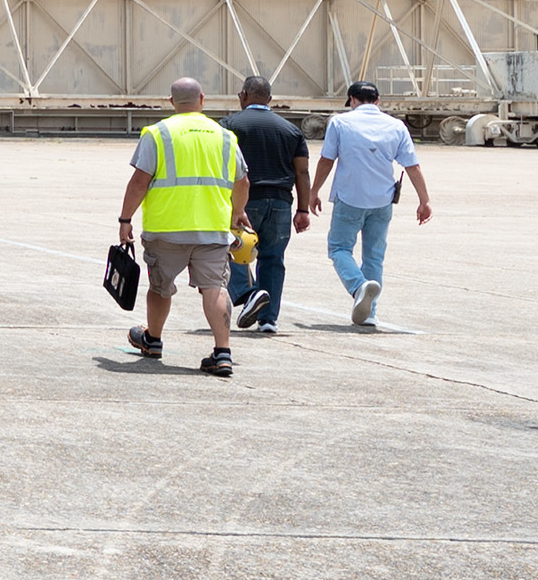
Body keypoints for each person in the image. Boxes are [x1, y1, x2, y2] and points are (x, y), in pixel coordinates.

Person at [118, 77, 252, 376]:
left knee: (160, 287)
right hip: (212, 228)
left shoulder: (158, 133)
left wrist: (125, 219)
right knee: (214, 287)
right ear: (202, 99)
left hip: (167, 227)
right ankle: (223, 352)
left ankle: (153, 340)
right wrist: (238, 213)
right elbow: (242, 181)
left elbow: (140, 181)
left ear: (171, 102)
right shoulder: (225, 137)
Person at [312, 82, 434, 327]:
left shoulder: (340, 123)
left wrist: (314, 191)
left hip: (350, 198)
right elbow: (412, 165)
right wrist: (424, 200)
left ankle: (358, 287)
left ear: (352, 100)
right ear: (378, 101)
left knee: (338, 249)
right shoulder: (396, 126)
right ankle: (370, 314)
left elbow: (327, 160)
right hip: (382, 200)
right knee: (374, 257)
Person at [222, 76, 309, 333]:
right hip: (281, 202)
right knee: (273, 258)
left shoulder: (229, 125)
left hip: (244, 201)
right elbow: (302, 172)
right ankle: (268, 319)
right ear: (270, 99)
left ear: (244, 95)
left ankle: (249, 295)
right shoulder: (291, 130)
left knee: (230, 251)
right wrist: (303, 209)